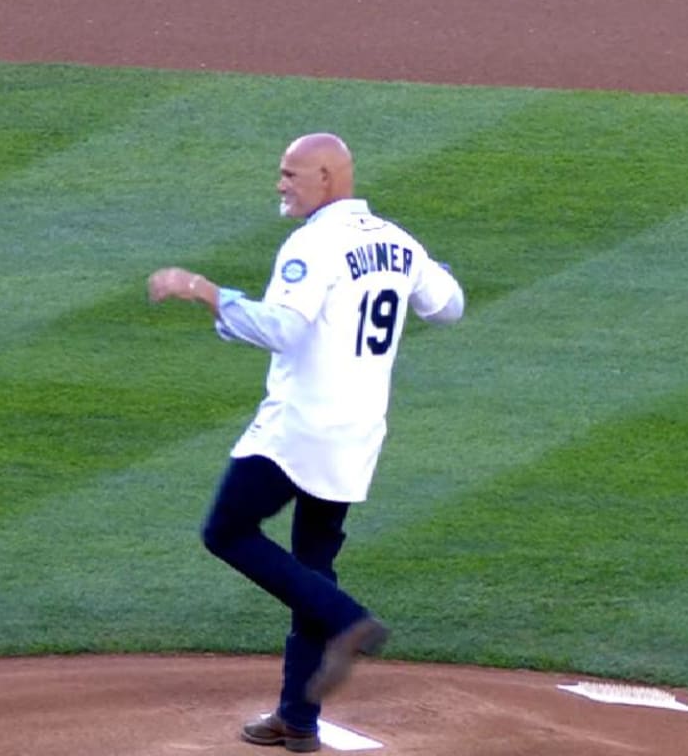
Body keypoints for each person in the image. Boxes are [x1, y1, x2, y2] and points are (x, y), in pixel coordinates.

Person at [147, 132, 466, 752]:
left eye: (291, 174)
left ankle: (348, 619)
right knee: (311, 568)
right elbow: (448, 308)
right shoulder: (399, 242)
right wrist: (429, 274)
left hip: (299, 429)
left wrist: (207, 292)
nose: (280, 184)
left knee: (227, 532)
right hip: (358, 433)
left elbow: (282, 329)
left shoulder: (313, 244)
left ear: (327, 178)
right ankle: (298, 720)